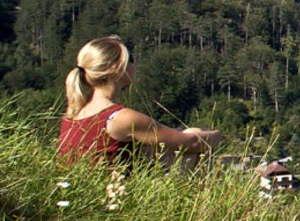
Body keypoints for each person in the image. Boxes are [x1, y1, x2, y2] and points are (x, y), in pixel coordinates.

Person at [57, 35, 222, 164]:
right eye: (131, 59)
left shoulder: (73, 115)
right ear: (116, 67)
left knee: (150, 147)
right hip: (113, 198)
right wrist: (218, 135)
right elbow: (191, 143)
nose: (134, 65)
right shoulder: (121, 118)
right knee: (194, 143)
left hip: (93, 195)